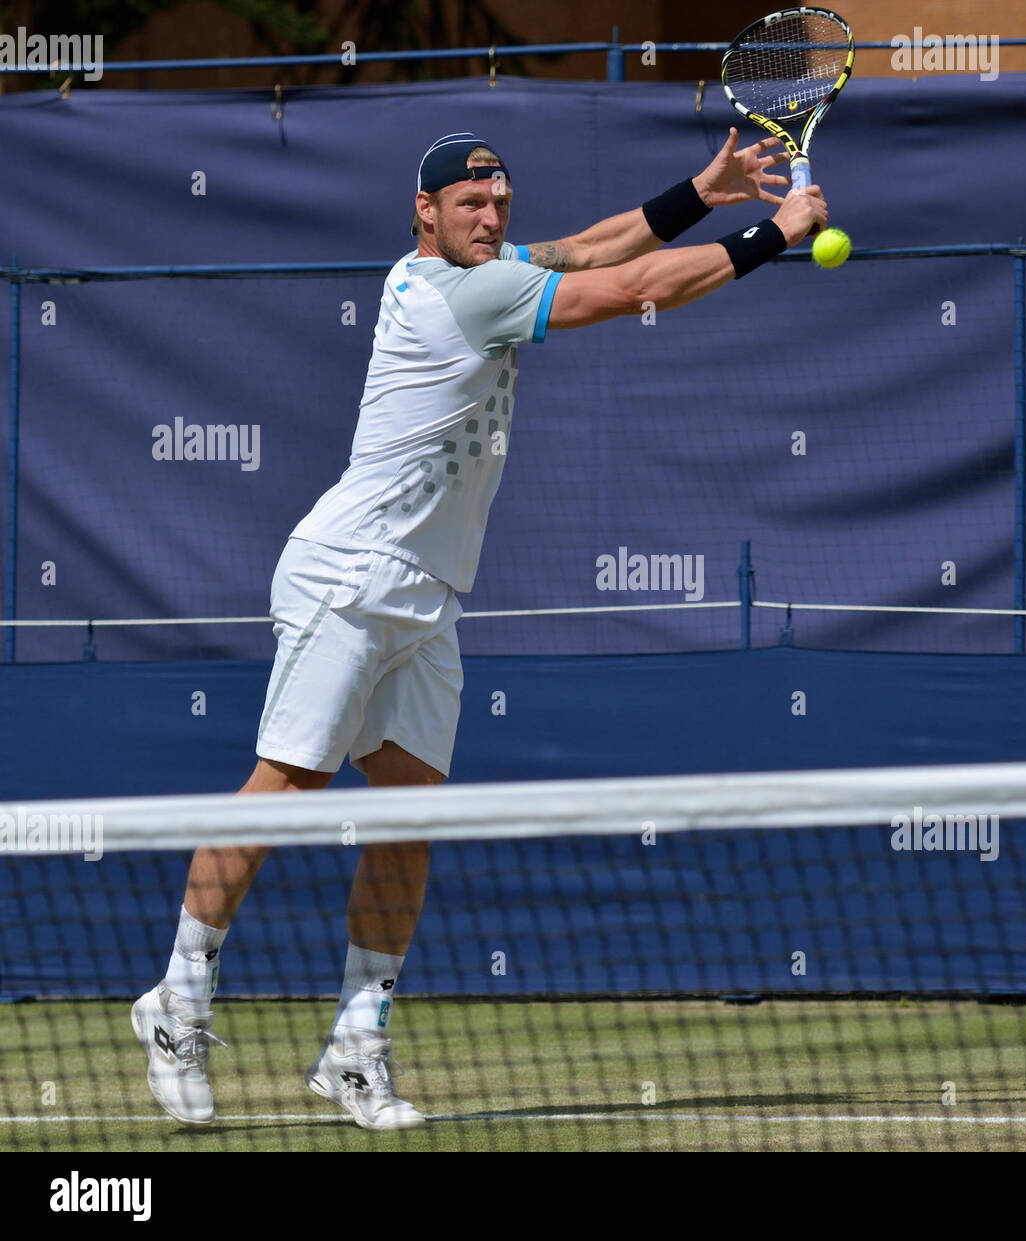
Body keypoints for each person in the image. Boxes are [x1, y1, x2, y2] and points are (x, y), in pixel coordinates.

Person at [132, 129, 828, 1130]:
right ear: (424, 210)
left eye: (499, 202)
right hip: (349, 575)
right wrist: (769, 234)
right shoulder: (456, 294)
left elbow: (588, 246)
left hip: (427, 592)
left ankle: (356, 1044)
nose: (491, 218)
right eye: (470, 204)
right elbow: (615, 290)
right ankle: (179, 997)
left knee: (411, 814)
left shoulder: (485, 269)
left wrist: (699, 192)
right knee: (286, 786)